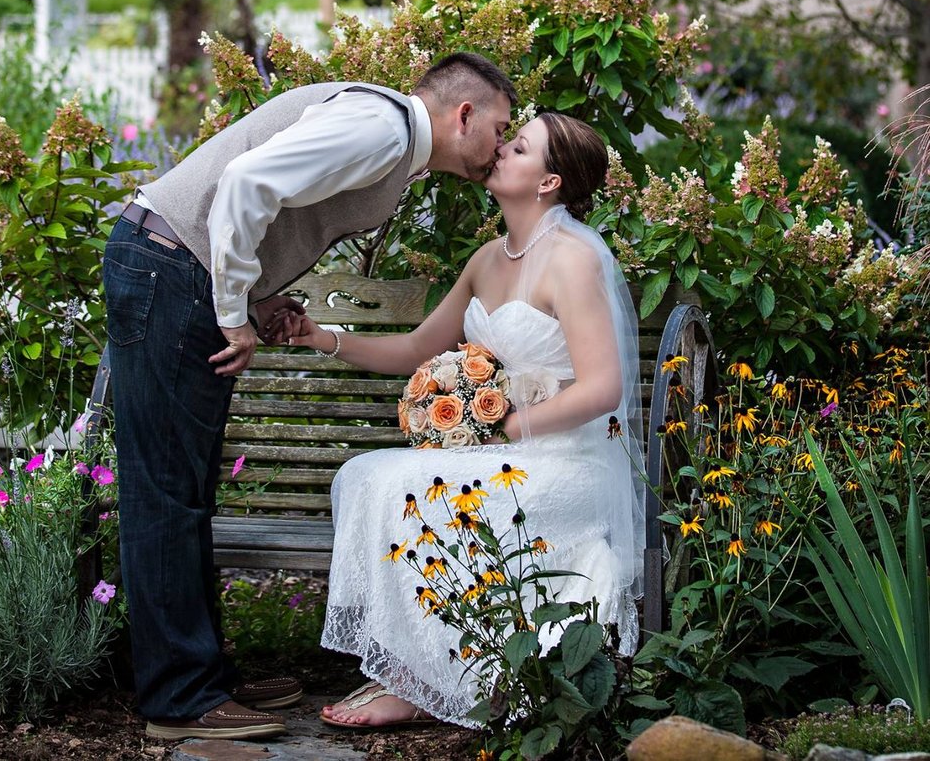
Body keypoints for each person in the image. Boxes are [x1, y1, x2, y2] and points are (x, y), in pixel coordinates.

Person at [101, 53, 516, 741]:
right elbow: (247, 181)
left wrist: (257, 297)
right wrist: (233, 312)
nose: (500, 148)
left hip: (175, 267)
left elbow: (264, 203)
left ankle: (200, 677)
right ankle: (178, 700)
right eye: (500, 130)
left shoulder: (390, 137)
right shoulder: (382, 128)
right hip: (170, 270)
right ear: (464, 115)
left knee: (186, 490)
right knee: (166, 493)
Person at [272, 112, 645, 729]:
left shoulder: (574, 260)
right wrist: (321, 337)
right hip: (499, 454)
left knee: (405, 485)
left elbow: (604, 388)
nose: (501, 151)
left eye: (519, 147)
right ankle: (416, 669)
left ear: (549, 181)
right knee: (366, 474)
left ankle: (423, 683)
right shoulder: (488, 259)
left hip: (565, 461)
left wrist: (508, 427)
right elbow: (416, 349)